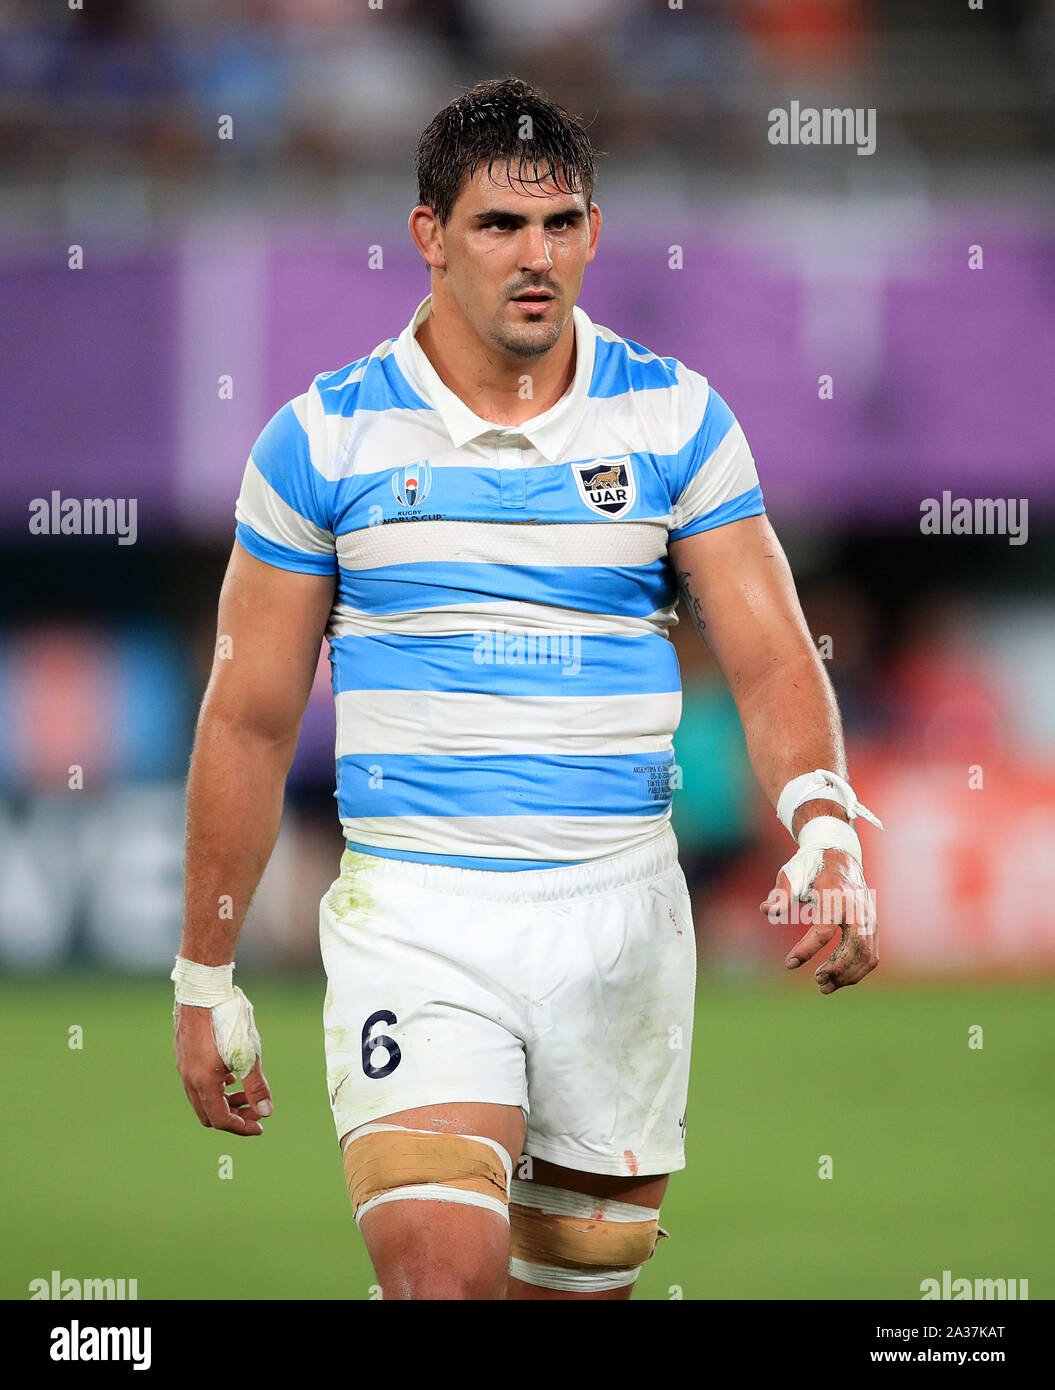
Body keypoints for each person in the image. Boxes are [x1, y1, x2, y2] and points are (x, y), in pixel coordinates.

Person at [172, 77, 880, 1301]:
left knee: (573, 1284)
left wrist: (823, 818)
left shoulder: (674, 416)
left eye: (560, 225)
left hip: (620, 924)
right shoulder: (321, 442)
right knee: (438, 1282)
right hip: (419, 918)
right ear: (429, 235)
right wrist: (203, 973)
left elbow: (769, 650)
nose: (534, 255)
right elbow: (246, 715)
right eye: (499, 225)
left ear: (595, 232)